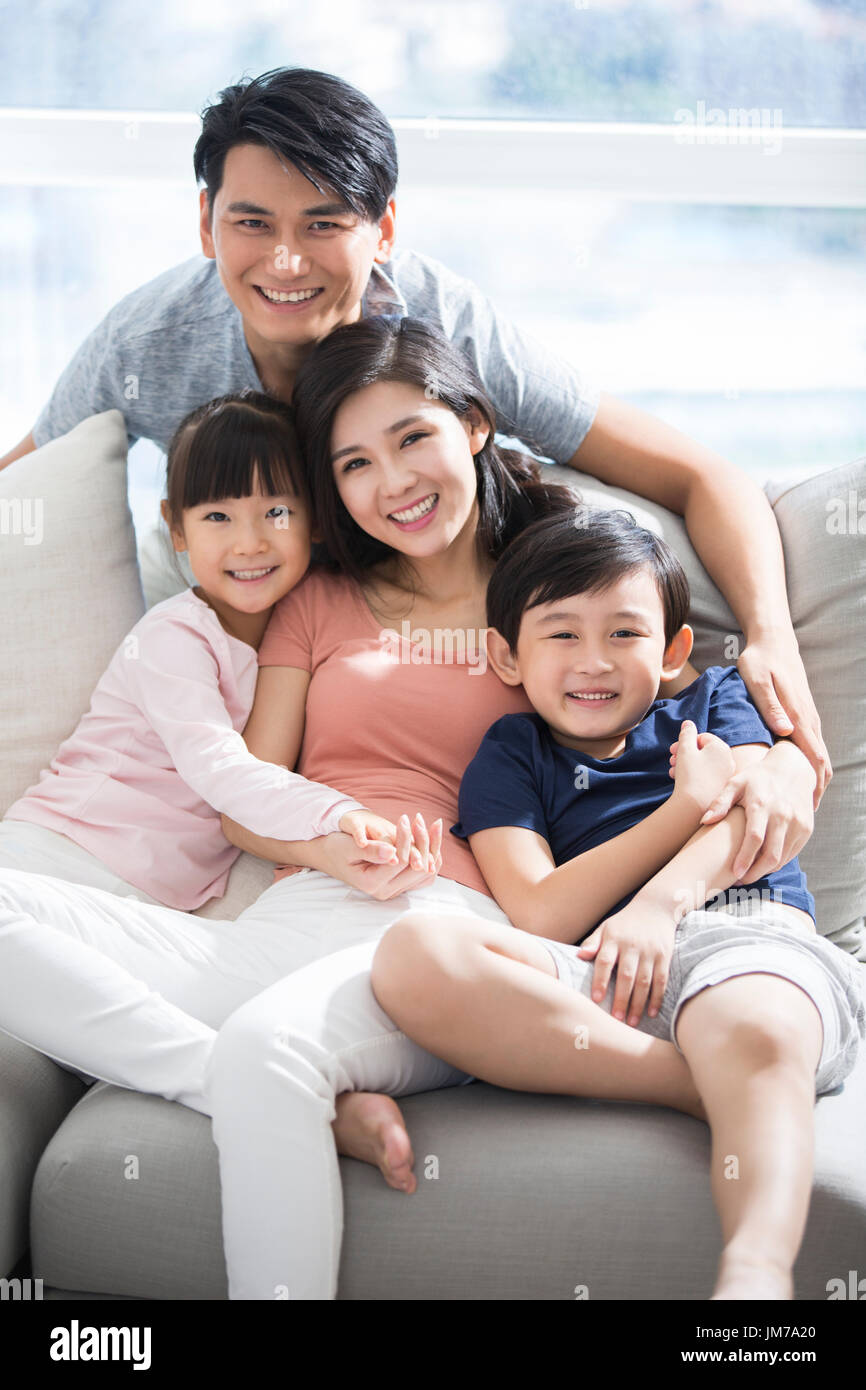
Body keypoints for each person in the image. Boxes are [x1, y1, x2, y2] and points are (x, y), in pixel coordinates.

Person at [190, 316, 827, 1300]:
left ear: (474, 426)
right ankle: (722, 1078)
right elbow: (245, 794)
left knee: (305, 1020)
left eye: (412, 438)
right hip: (439, 921)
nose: (394, 482)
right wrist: (335, 842)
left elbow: (741, 777)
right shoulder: (388, 651)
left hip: (566, 915)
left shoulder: (565, 588)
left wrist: (776, 716)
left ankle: (751, 1237)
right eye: (354, 462)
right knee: (299, 999)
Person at [0, 67, 831, 795]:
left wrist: (769, 640)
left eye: (323, 224)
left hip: (420, 615)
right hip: (246, 593)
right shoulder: (149, 340)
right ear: (206, 220)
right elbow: (23, 487)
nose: (285, 262)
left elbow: (701, 476)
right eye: (252, 223)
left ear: (384, 228)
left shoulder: (446, 331)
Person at [372, 508, 865, 1300]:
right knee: (417, 953)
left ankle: (755, 1277)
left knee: (752, 1022)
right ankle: (699, 1079)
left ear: (672, 650)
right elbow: (536, 911)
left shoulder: (713, 699)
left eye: (625, 634)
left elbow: (753, 821)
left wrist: (660, 907)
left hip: (738, 933)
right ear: (506, 653)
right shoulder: (511, 753)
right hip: (597, 970)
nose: (592, 662)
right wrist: (678, 810)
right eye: (561, 634)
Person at [0, 388, 438, 1181]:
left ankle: (251, 1081)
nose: (249, 542)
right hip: (56, 863)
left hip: (146, 916)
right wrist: (342, 818)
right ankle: (240, 1088)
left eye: (277, 512)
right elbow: (223, 772)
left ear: (314, 519)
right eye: (216, 518)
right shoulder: (175, 635)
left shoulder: (306, 642)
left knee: (102, 1017)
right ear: (174, 528)